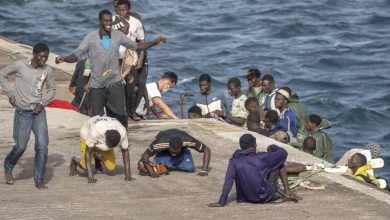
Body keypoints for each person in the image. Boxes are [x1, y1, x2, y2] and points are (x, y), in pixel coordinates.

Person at [55, 9, 166, 128]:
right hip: (97, 84)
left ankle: (124, 142)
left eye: (110, 21)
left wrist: (154, 42)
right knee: (97, 118)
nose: (108, 23)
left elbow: (137, 46)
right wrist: (65, 59)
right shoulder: (91, 38)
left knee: (121, 115)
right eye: (105, 21)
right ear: (99, 21)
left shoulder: (117, 36)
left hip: (114, 82)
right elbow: (76, 55)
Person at [0, 43, 55, 189]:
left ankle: (39, 179)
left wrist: (42, 103)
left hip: (39, 112)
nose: (44, 60)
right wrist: (10, 94)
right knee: (20, 146)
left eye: (46, 57)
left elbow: (52, 90)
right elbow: (2, 74)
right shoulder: (20, 65)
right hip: (22, 112)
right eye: (41, 56)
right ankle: (9, 164)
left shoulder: (47, 70)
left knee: (42, 145)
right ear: (34, 54)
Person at [207, 134, 298, 207]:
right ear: (254, 145)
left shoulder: (233, 160)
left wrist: (222, 201)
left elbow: (228, 181)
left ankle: (282, 191)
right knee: (278, 162)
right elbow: (283, 153)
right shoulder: (261, 157)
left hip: (246, 198)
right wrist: (272, 147)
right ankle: (287, 191)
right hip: (265, 196)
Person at [69, 116, 134, 183]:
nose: (109, 148)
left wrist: (128, 176)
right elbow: (88, 151)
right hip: (86, 134)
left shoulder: (122, 131)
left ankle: (97, 157)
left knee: (111, 167)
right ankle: (74, 160)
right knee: (84, 166)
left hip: (100, 139)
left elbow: (125, 151)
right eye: (109, 146)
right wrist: (90, 177)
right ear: (105, 137)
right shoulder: (97, 130)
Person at [115, 0, 149, 121]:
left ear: (129, 9)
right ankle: (118, 112)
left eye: (124, 10)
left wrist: (141, 58)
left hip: (130, 59)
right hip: (115, 59)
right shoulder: (112, 21)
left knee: (131, 87)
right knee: (117, 87)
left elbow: (142, 41)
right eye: (119, 10)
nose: (122, 12)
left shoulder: (136, 23)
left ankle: (131, 112)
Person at [139, 129, 211, 177]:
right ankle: (162, 162)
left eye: (176, 152)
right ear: (169, 146)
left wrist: (204, 170)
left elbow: (207, 150)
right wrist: (152, 172)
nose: (174, 154)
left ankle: (169, 164)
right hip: (164, 151)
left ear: (182, 146)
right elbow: (144, 156)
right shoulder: (159, 144)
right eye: (172, 151)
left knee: (190, 168)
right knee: (158, 168)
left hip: (182, 150)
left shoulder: (189, 141)